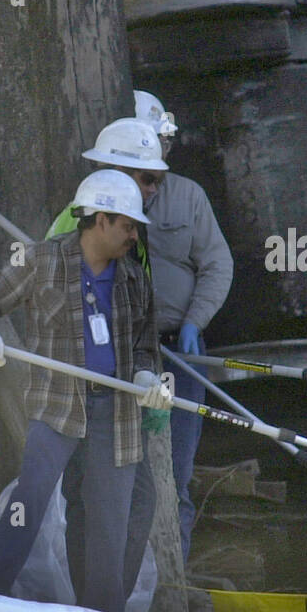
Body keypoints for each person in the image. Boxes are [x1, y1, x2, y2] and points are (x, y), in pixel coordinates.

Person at [0, 170, 174, 612]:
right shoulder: (41, 261)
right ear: (100, 220)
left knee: (109, 525)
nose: (134, 236)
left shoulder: (135, 278)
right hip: (57, 403)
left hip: (116, 413)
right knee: (32, 497)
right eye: (127, 226)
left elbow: (144, 347)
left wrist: (146, 378)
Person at [49, 98, 233, 561]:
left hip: (177, 353)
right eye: (148, 174)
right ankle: (115, 594)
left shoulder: (187, 197)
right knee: (113, 479)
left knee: (174, 472)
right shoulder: (88, 215)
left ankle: (170, 580)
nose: (156, 182)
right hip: (111, 364)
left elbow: (217, 264)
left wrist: (194, 322)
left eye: (160, 171)